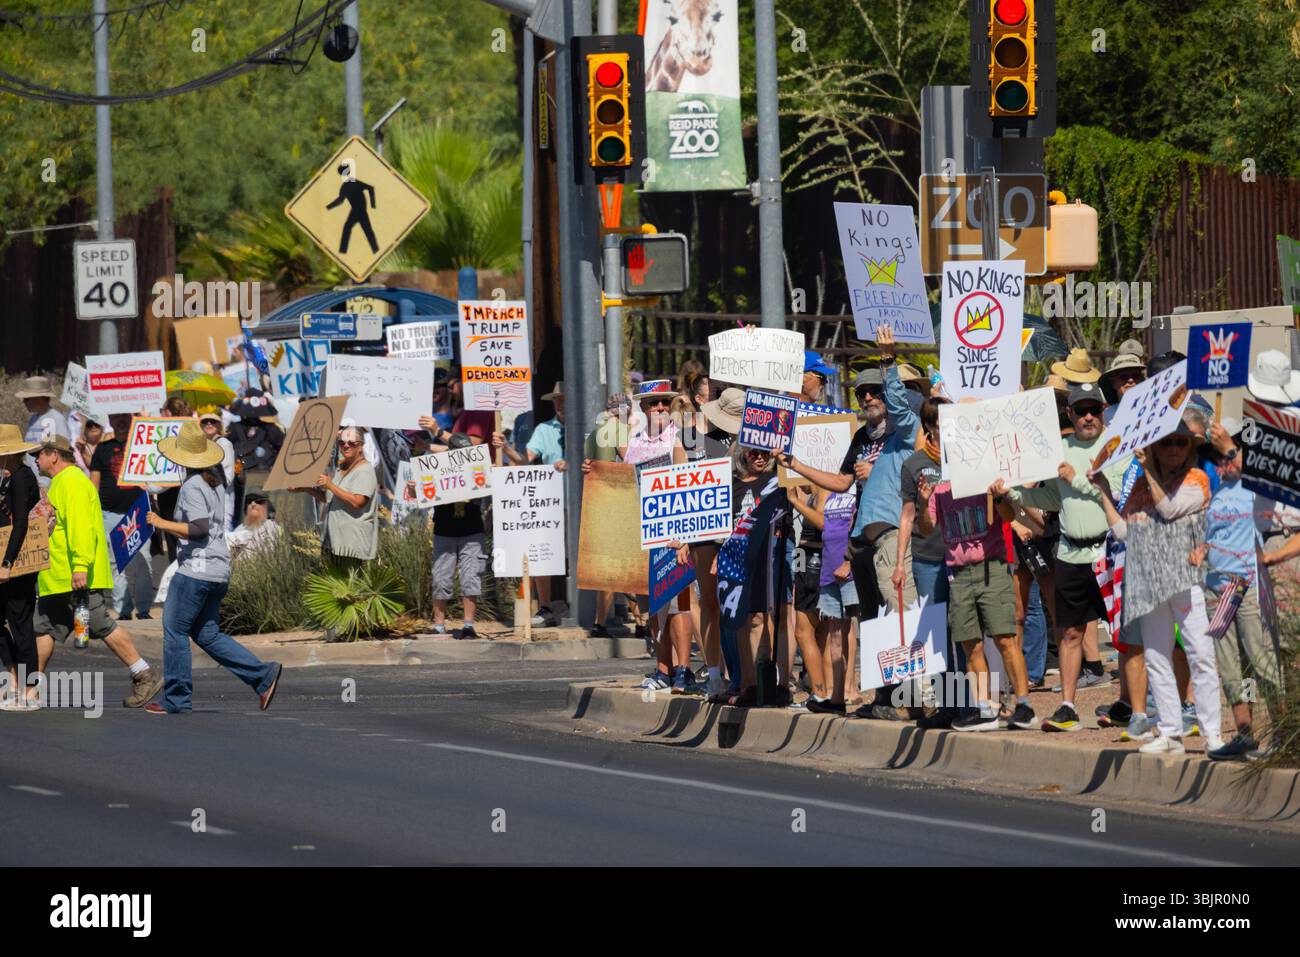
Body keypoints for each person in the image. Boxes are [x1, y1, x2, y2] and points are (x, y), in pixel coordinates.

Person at [781, 326, 919, 720]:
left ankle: (907, 698)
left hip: (895, 532)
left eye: (874, 391)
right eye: (861, 393)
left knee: (898, 613)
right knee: (874, 620)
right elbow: (841, 480)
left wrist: (888, 360)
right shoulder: (861, 436)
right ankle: (883, 698)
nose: (869, 398)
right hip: (862, 537)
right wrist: (796, 464)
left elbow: (900, 408)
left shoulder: (903, 431)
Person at [1091, 421, 1224, 755]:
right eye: (1166, 443)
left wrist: (1148, 467)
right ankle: (1169, 732)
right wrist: (1103, 489)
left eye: (1181, 442)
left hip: (1186, 581)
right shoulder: (1140, 484)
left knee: (1201, 655)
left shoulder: (1197, 479)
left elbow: (1168, 507)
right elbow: (1123, 531)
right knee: (1155, 657)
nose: (1175, 449)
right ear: (1155, 448)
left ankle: (1213, 734)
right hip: (1149, 583)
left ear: (1190, 447)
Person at [143, 420, 282, 714]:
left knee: (175, 629)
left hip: (197, 569)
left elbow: (198, 529)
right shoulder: (215, 482)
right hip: (217, 568)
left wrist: (160, 522)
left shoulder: (194, 485)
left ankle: (176, 697)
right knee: (207, 634)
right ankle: (262, 675)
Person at [1000, 383, 1114, 732]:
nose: (1089, 416)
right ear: (1070, 414)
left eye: (1094, 409)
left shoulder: (1114, 446)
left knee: (1126, 633)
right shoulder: (1059, 448)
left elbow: (1111, 493)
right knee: (1068, 632)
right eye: (1081, 410)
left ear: (1103, 411)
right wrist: (1012, 491)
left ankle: (1131, 705)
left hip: (1108, 552)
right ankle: (1067, 707)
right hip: (1069, 552)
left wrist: (1076, 478)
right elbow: (1051, 497)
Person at [31, 435, 163, 709]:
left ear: (54, 455)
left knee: (98, 622)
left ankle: (143, 672)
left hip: (75, 576)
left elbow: (82, 527)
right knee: (42, 628)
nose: (36, 460)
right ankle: (32, 689)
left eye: (39, 454)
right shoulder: (60, 483)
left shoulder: (74, 483)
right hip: (56, 577)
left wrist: (80, 565)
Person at [919, 470, 1033, 732]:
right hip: (958, 574)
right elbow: (926, 528)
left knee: (1005, 638)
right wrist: (925, 503)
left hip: (991, 566)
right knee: (970, 644)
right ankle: (984, 709)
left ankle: (1024, 705)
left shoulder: (985, 479)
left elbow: (1009, 517)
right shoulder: (940, 489)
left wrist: (999, 497)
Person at [1199, 419, 1282, 762]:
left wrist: (1231, 449)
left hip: (1246, 585)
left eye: (1228, 457)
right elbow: (1210, 536)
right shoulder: (1213, 493)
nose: (1223, 464)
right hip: (1216, 589)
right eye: (1217, 459)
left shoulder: (1256, 488)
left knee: (1261, 662)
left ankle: (1282, 731)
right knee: (1235, 670)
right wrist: (1200, 550)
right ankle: (1245, 734)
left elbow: (1264, 474)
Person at [493, 381, 568, 628]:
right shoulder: (544, 430)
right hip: (552, 503)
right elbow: (526, 459)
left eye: (564, 398)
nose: (560, 403)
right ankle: (546, 606)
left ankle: (588, 609)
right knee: (542, 553)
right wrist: (505, 448)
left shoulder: (586, 428)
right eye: (557, 399)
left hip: (582, 501)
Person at [90, 413, 157, 621]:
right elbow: (94, 484)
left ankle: (144, 609)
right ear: (109, 420)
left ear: (132, 418)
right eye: (115, 417)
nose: (120, 421)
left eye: (124, 417)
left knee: (143, 559)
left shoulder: (142, 446)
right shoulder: (102, 449)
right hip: (109, 513)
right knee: (115, 563)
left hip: (138, 512)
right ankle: (123, 610)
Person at [421, 433, 488, 640]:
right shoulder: (437, 467)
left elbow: (492, 482)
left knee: (471, 577)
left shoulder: (478, 466)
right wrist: (415, 489)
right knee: (441, 577)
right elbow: (420, 493)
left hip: (472, 530)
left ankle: (468, 625)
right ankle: (439, 625)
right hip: (445, 530)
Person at [0, 425, 42, 709]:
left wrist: (7, 562)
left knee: (21, 622)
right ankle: (14, 678)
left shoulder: (21, 477)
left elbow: (22, 523)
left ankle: (30, 690)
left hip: (16, 561)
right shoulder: (9, 476)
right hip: (6, 555)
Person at [300, 426, 379, 572]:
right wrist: (305, 489)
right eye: (342, 443)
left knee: (350, 586)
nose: (346, 446)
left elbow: (358, 502)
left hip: (351, 542)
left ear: (361, 445)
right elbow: (329, 498)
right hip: (332, 540)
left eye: (352, 443)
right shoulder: (340, 468)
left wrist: (330, 484)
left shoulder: (364, 471)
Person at [17, 375, 69, 488]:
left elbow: (58, 453)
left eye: (27, 398)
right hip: (35, 483)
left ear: (39, 398)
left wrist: (45, 484)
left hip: (48, 485)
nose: (24, 402)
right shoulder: (33, 419)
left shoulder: (54, 419)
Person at [199, 412, 237, 531]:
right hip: (206, 500)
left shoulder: (224, 444)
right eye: (205, 421)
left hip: (222, 500)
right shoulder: (201, 445)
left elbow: (228, 477)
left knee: (224, 535)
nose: (209, 423)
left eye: (212, 421)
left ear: (219, 425)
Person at [228, 492, 281, 561]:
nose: (252, 504)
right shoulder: (240, 528)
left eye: (258, 501)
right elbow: (230, 552)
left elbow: (270, 553)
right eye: (249, 502)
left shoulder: (272, 526)